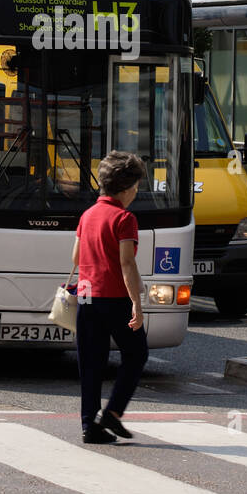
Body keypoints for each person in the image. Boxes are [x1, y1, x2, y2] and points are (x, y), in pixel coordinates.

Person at [71, 150, 149, 444]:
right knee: (137, 353)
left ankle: (89, 424)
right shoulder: (125, 218)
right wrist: (137, 306)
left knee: (91, 362)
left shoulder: (88, 215)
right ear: (127, 189)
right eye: (136, 187)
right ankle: (113, 413)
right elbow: (126, 263)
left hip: (87, 298)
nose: (136, 193)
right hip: (114, 298)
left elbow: (76, 257)